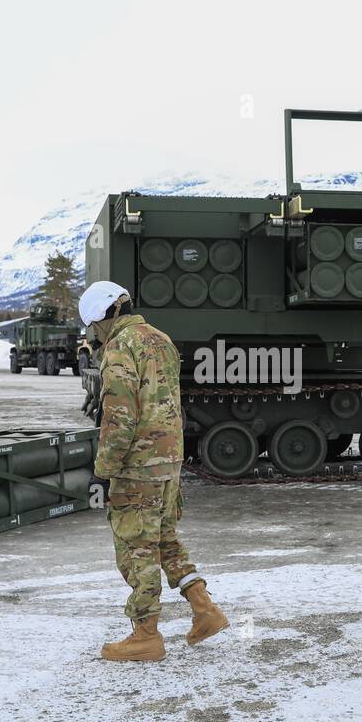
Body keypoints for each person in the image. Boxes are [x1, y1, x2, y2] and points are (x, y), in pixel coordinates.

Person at [79, 280, 228, 662]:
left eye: (94, 328)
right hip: (169, 460)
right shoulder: (161, 339)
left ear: (104, 317)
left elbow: (120, 417)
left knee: (136, 546)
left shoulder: (119, 347)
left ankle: (146, 635)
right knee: (164, 539)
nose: (95, 335)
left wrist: (102, 472)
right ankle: (204, 610)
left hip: (136, 466)